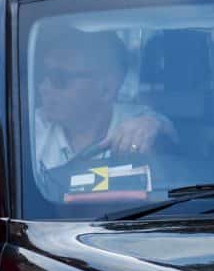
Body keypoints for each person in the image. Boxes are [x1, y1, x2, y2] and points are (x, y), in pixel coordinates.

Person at [31, 26, 172, 195]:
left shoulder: (140, 123)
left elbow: (169, 137)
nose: (43, 87)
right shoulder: (28, 133)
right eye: (43, 75)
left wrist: (154, 125)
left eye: (59, 78)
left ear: (106, 88)